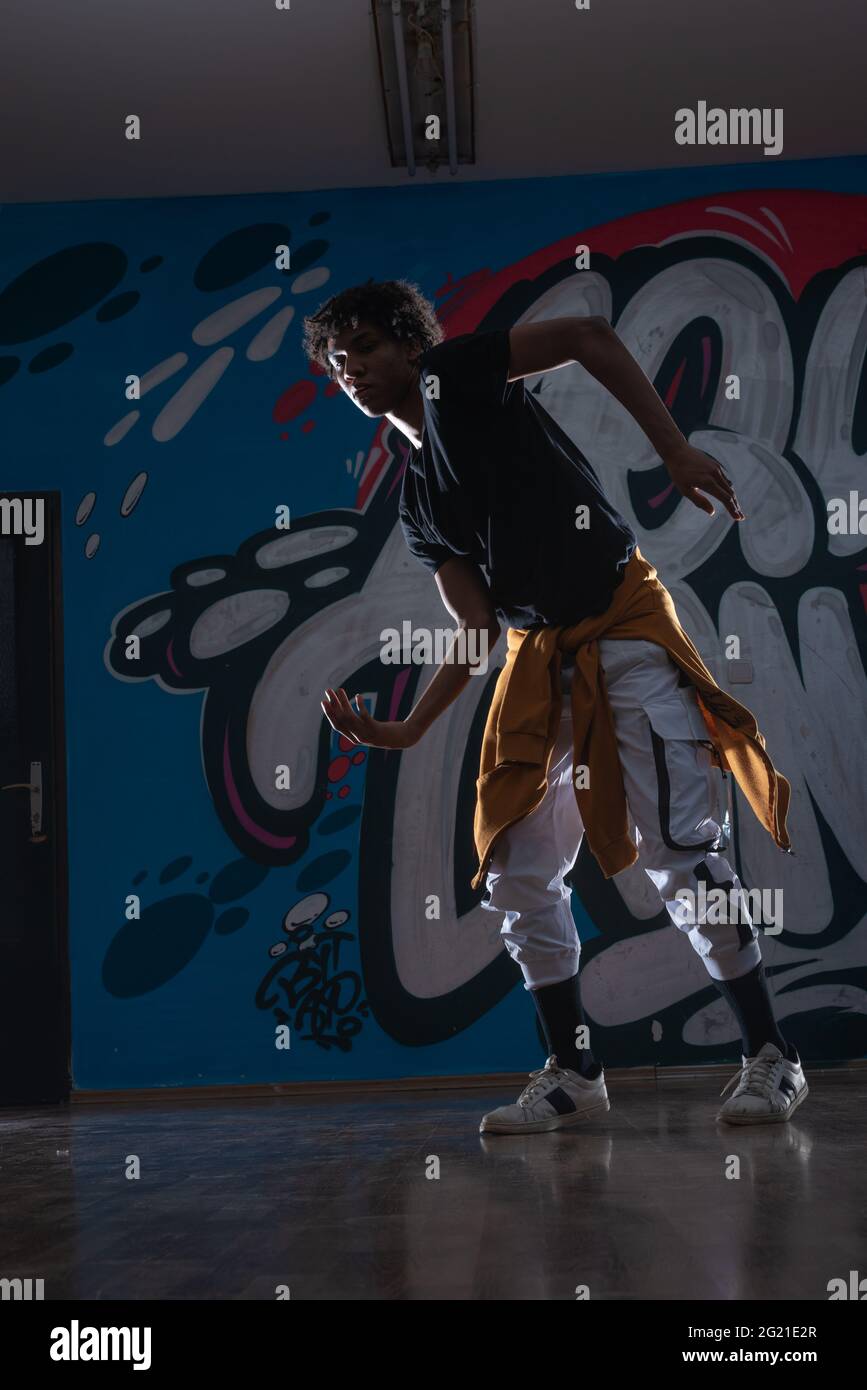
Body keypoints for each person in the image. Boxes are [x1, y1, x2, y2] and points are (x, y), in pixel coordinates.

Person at [302, 278, 808, 1133]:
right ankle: (573, 1070)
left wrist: (674, 451)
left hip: (620, 625)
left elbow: (588, 337)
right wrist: (409, 728)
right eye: (335, 357)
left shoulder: (452, 375)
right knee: (513, 868)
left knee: (677, 853)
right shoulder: (418, 496)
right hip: (538, 658)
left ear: (411, 344)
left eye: (365, 345)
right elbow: (476, 626)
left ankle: (772, 1055)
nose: (350, 366)